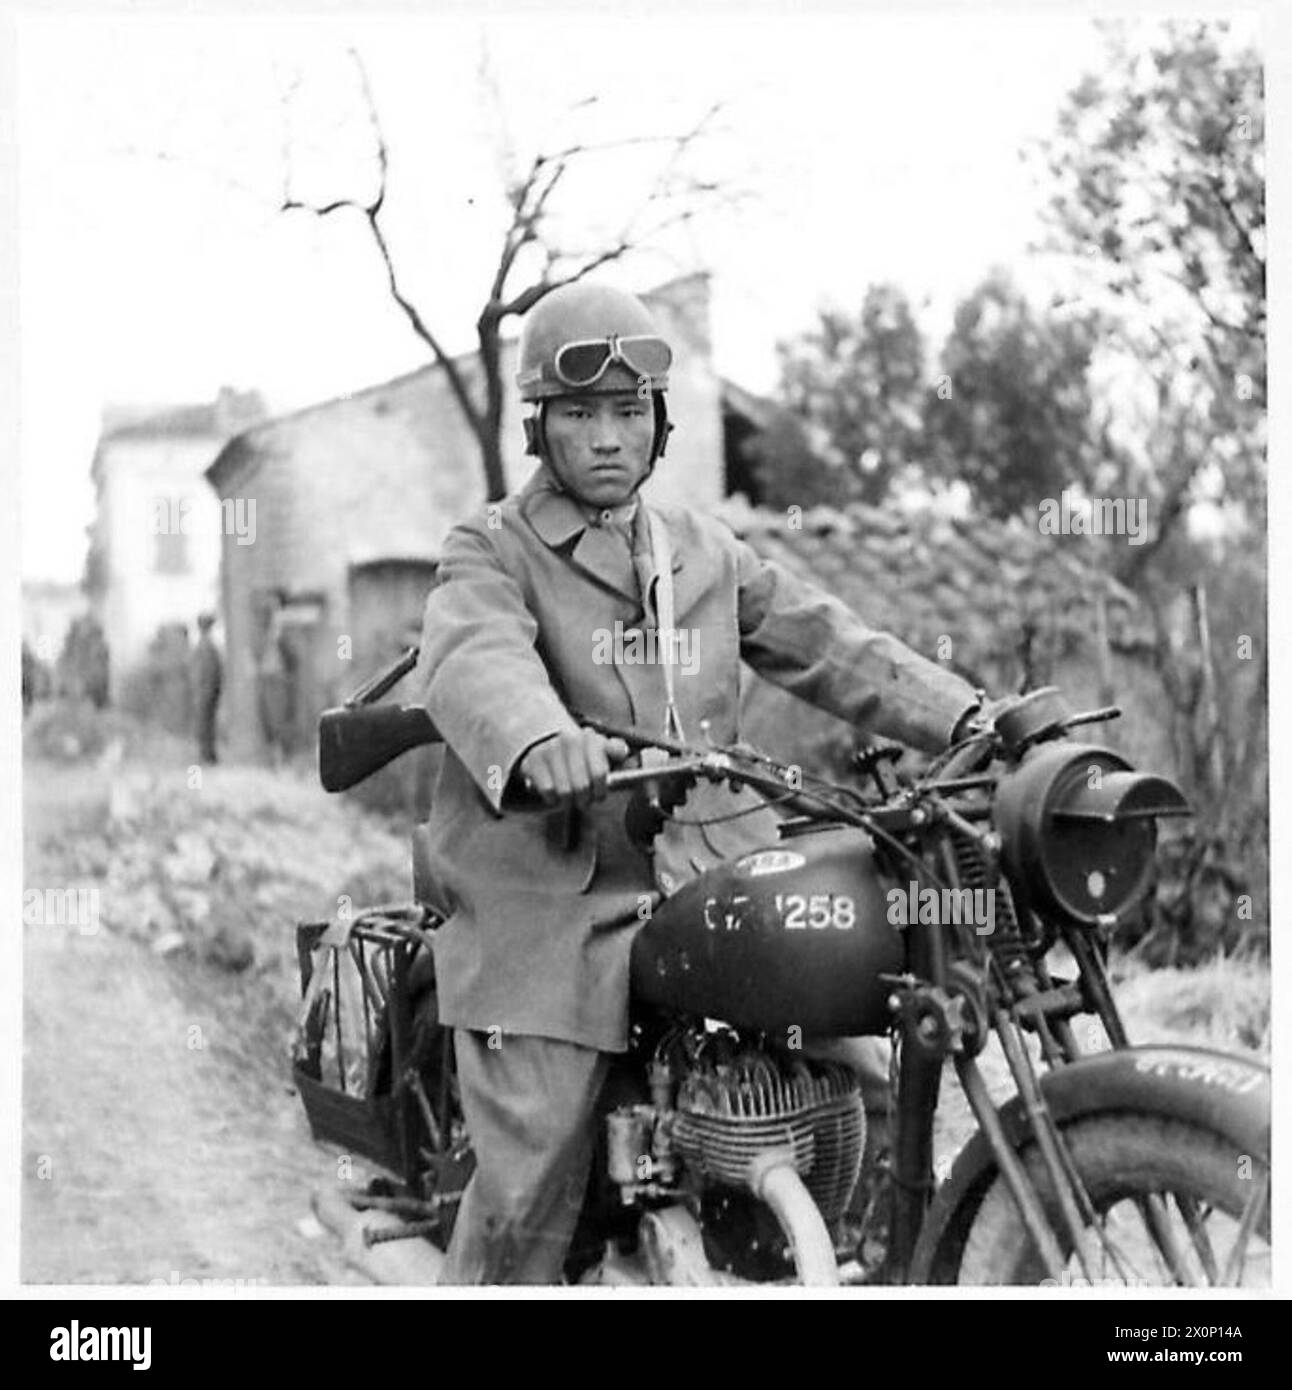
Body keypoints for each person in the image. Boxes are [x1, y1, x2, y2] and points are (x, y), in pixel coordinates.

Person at [415, 282, 987, 1284]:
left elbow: (827, 644)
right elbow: (475, 656)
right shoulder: (493, 546)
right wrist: (541, 738)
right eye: (579, 413)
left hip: (714, 867)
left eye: (627, 410)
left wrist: (970, 715)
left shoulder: (703, 549)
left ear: (659, 421)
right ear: (538, 426)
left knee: (866, 1070)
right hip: (554, 891)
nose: (607, 437)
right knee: (533, 1165)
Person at [191, 612, 222, 764]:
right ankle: (207, 754)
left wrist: (205, 690)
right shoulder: (207, 646)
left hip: (206, 691)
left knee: (205, 724)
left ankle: (207, 755)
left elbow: (207, 672)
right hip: (206, 691)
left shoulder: (205, 647)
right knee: (206, 724)